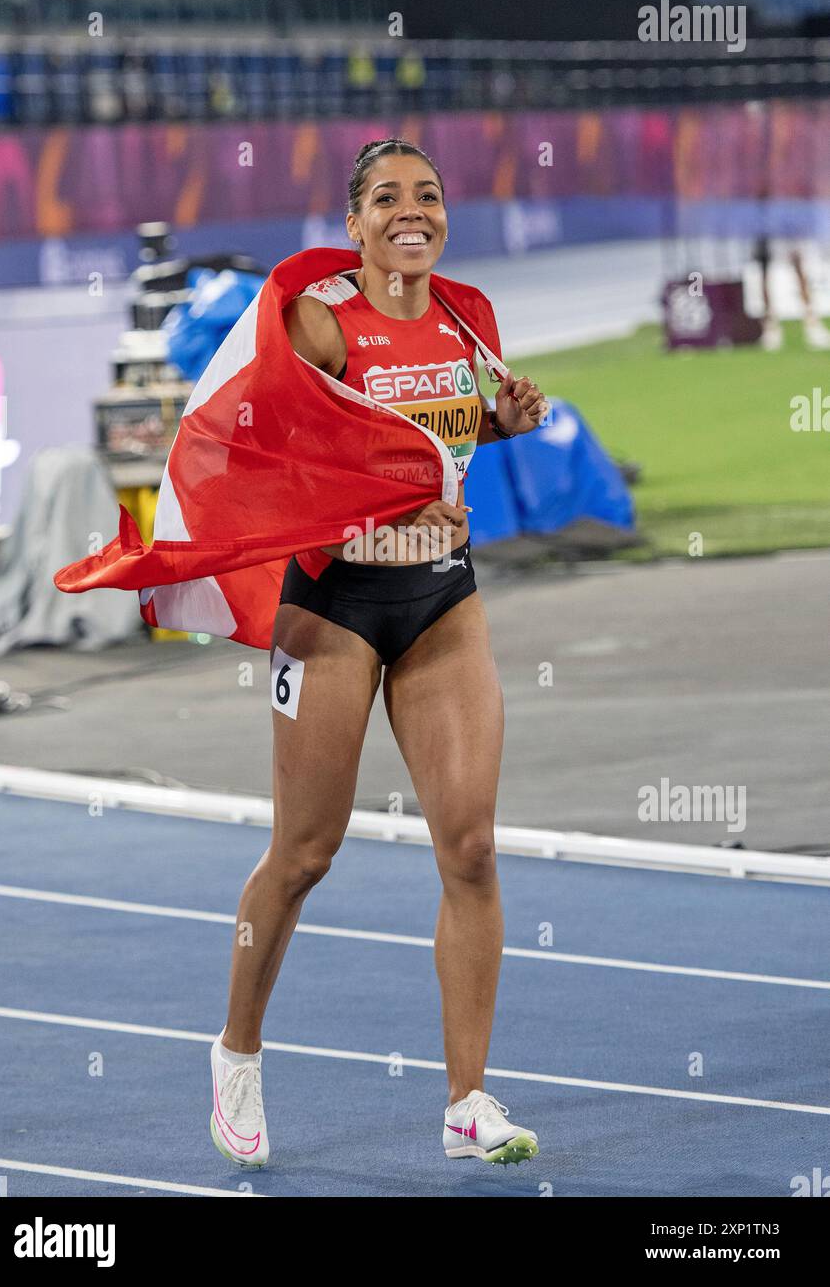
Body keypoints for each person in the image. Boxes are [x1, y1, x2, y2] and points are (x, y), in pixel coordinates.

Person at [209, 138, 549, 1169]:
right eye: (388, 199)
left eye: (429, 196)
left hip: (441, 595)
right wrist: (375, 493)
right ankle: (235, 1053)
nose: (413, 212)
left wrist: (498, 421)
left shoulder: (464, 318)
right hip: (334, 605)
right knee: (307, 851)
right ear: (352, 223)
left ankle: (465, 1101)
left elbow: (441, 433)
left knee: (472, 847)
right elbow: (270, 448)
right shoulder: (319, 324)